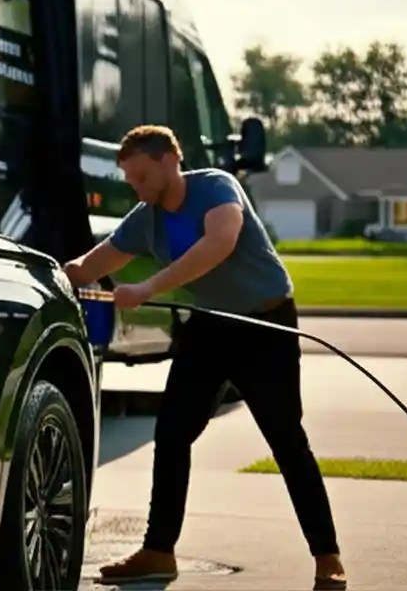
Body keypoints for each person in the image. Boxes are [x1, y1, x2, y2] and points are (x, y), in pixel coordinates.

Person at [62, 125, 347, 591]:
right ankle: (158, 550)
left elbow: (220, 243)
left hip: (265, 323)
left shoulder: (215, 186)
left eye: (140, 177)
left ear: (168, 161)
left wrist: (148, 288)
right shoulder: (145, 217)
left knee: (286, 441)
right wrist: (56, 272)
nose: (135, 188)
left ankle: (327, 557)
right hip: (211, 327)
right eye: (130, 180)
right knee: (172, 433)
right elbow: (92, 264)